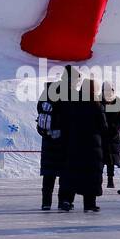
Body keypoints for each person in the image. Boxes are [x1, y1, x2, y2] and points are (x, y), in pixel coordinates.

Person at [58, 78, 106, 212]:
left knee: (72, 173)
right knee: (91, 175)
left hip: (74, 144)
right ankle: (89, 203)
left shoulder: (73, 103)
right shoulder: (97, 105)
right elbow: (103, 127)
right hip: (92, 146)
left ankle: (67, 200)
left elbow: (65, 123)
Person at [36, 71, 72, 210]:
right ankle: (64, 201)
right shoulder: (66, 96)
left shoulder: (46, 95)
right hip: (63, 140)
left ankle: (46, 203)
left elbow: (39, 111)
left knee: (48, 173)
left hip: (47, 138)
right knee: (64, 173)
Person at [100, 80, 120, 190]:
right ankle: (99, 180)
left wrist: (115, 130)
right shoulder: (99, 102)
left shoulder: (117, 102)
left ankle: (110, 180)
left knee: (110, 160)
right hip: (102, 135)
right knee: (100, 159)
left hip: (112, 136)